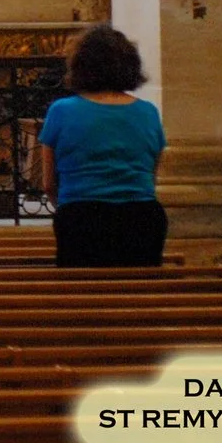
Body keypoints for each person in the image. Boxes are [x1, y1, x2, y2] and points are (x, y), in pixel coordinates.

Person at [37, 24, 167, 268]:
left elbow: (48, 183)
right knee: (140, 289)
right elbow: (151, 175)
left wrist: (68, 205)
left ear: (79, 65)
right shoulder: (148, 112)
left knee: (83, 289)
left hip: (81, 217)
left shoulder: (61, 111)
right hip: (142, 217)